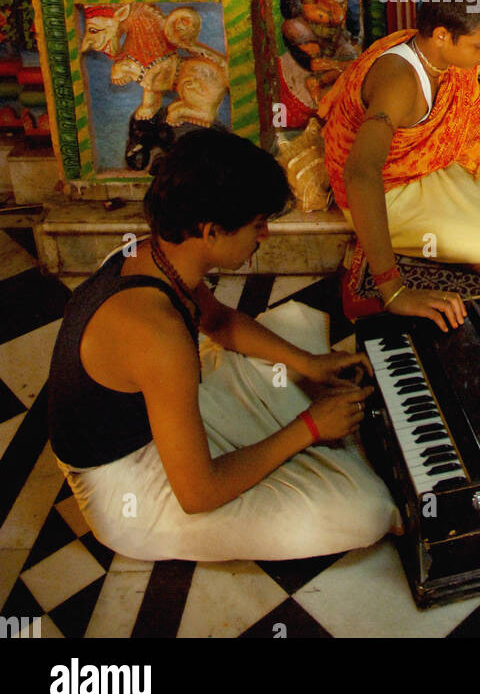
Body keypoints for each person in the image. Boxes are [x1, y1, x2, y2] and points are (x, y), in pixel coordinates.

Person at [47, 129, 398, 562]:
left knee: (297, 327)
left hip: (154, 420)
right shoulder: (156, 334)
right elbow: (199, 493)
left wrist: (308, 364)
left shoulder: (149, 255)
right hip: (130, 488)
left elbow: (217, 321)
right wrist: (308, 428)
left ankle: (321, 434)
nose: (264, 235)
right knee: (367, 512)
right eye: (257, 224)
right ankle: (331, 448)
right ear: (211, 232)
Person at [319, 0, 480, 329]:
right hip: (388, 193)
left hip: (424, 160)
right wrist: (393, 291)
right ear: (442, 36)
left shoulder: (441, 58)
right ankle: (478, 254)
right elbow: (360, 174)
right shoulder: (399, 83)